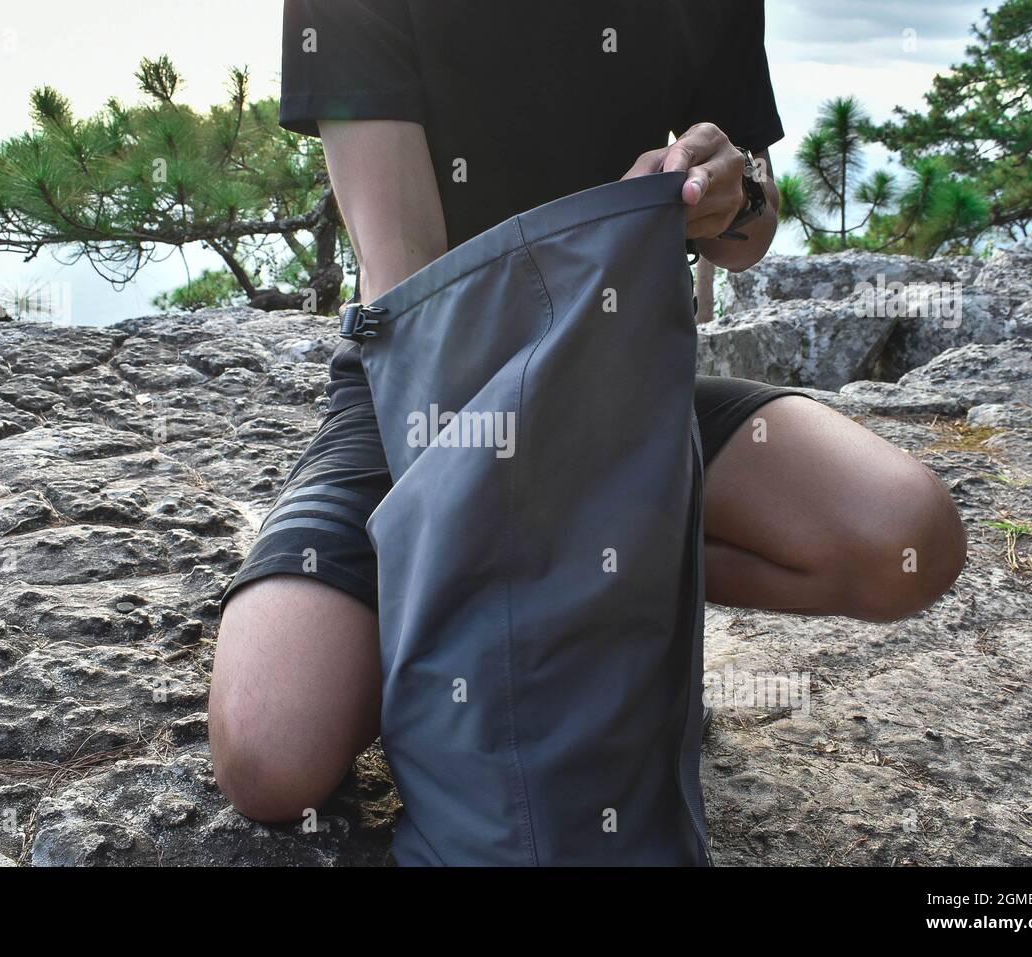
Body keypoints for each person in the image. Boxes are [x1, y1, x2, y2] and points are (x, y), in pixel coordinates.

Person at [209, 0, 967, 823]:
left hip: (624, 384)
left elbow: (749, 231)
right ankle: (563, 592)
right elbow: (407, 272)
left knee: (904, 535)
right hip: (420, 395)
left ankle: (602, 588)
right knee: (269, 752)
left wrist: (731, 194)